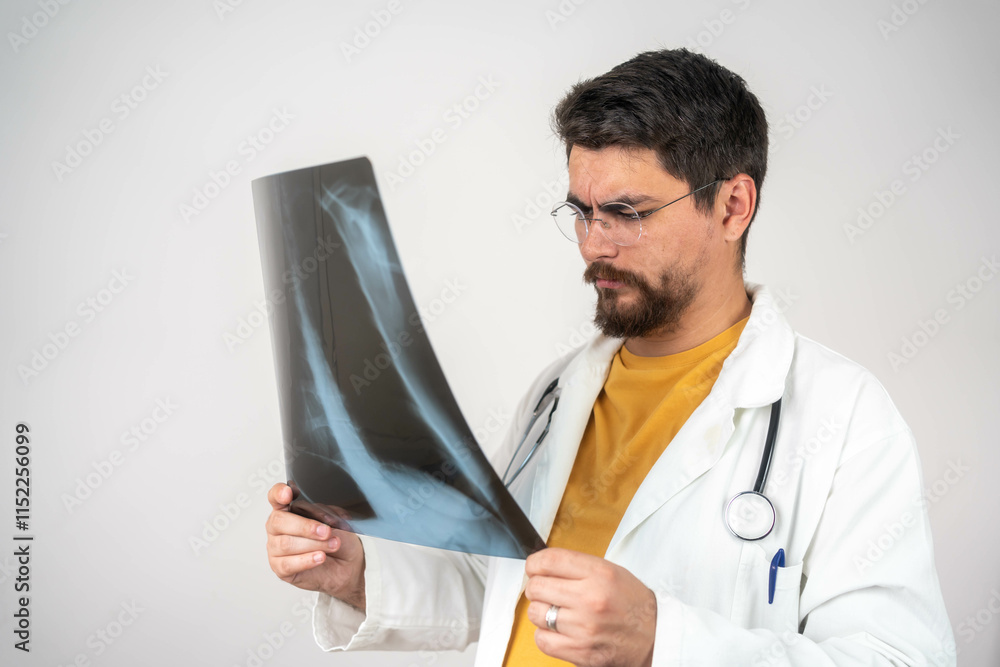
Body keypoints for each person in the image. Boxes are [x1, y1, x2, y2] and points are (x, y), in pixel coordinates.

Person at [264, 48, 956, 666]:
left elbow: (899, 655)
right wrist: (354, 571)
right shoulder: (559, 391)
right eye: (582, 212)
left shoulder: (843, 415)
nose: (595, 244)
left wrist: (664, 639)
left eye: (628, 212)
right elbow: (503, 589)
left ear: (733, 207)